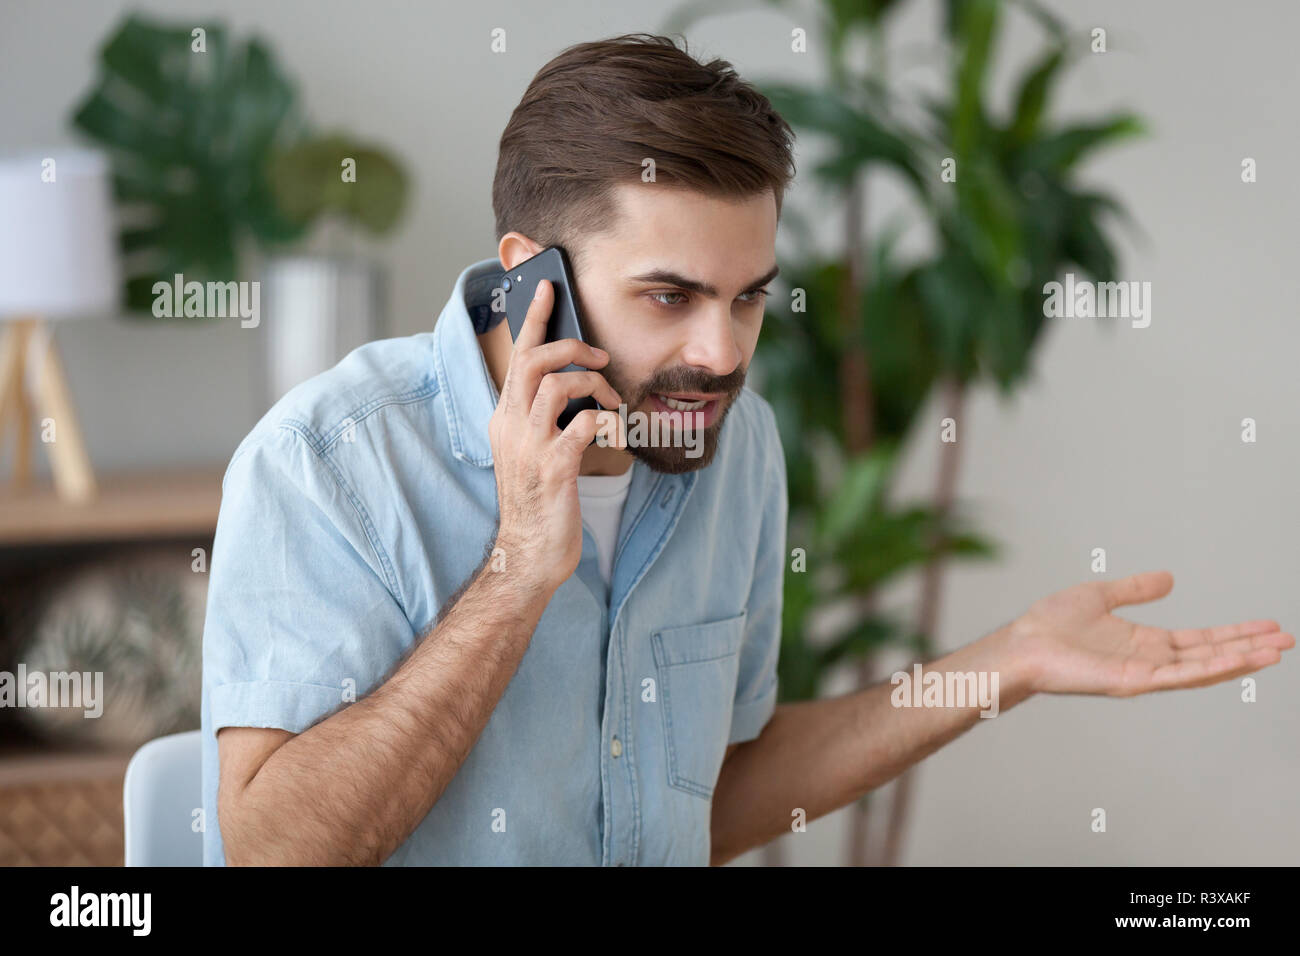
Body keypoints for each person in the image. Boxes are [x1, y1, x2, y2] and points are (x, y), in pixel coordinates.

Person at [200, 34, 1292, 866]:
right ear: (532, 274)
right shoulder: (327, 463)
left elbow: (706, 790)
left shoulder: (734, 446)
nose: (720, 353)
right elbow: (270, 850)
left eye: (747, 297)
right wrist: (518, 570)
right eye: (668, 295)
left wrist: (1001, 664)